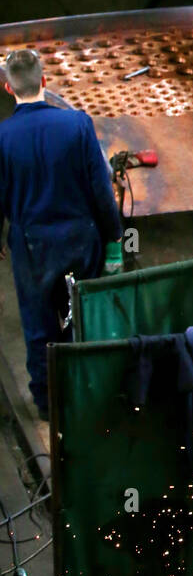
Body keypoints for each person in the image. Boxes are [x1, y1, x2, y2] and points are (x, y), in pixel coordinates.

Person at [0, 48, 122, 419]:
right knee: (81, 316)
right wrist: (114, 236)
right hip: (80, 240)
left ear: (8, 88)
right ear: (44, 80)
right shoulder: (77, 125)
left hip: (32, 246)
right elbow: (100, 189)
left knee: (39, 325)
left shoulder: (3, 137)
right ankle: (86, 395)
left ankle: (47, 404)